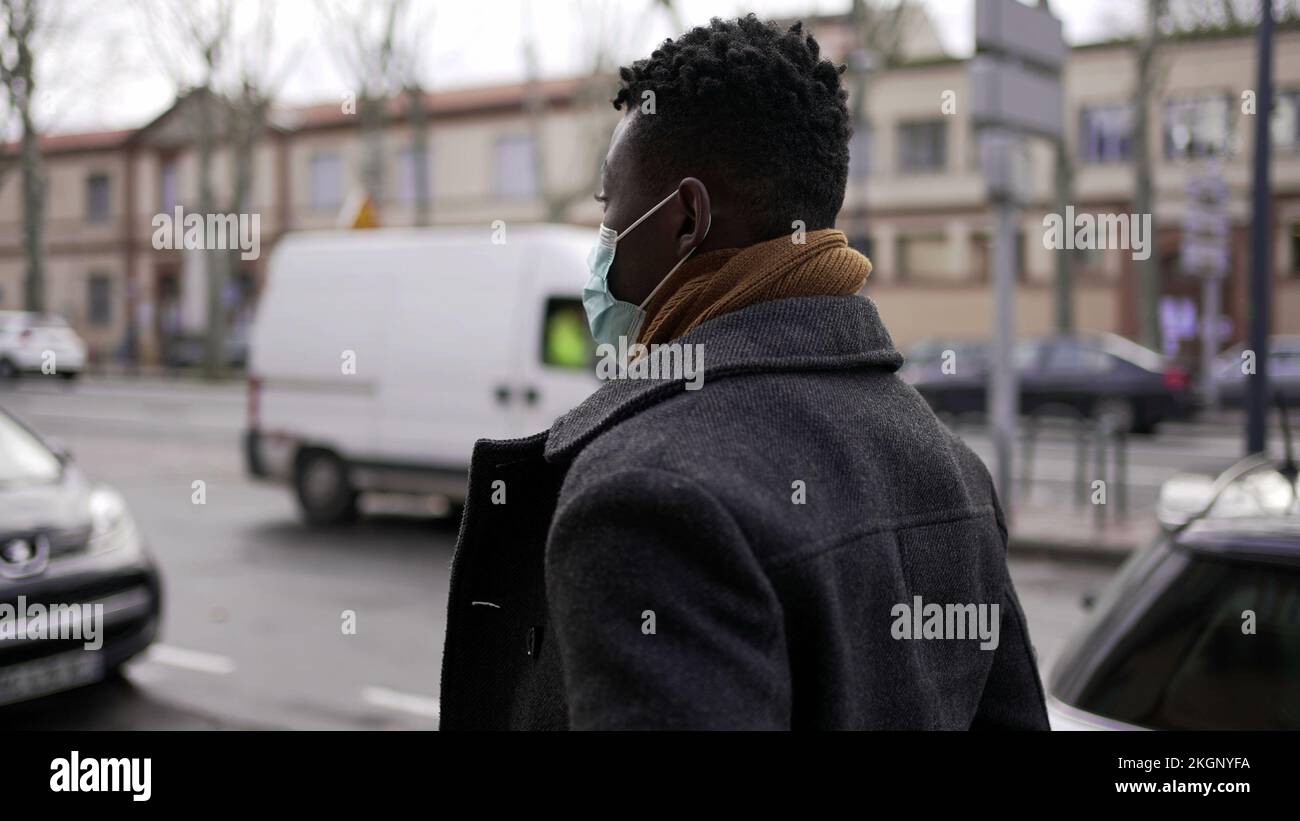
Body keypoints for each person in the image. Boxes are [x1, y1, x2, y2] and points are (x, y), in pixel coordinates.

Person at [438, 14, 1049, 730]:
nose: (601, 240)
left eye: (610, 206)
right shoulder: (953, 471)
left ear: (686, 218)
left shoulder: (647, 499)